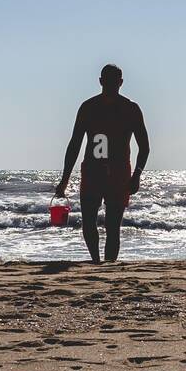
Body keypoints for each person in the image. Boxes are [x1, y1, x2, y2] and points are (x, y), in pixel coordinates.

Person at [54, 64, 150, 263]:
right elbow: (75, 145)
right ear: (101, 82)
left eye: (113, 82)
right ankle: (97, 262)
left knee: (112, 225)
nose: (111, 86)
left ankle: (107, 265)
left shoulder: (129, 109)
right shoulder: (89, 108)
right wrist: (64, 179)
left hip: (118, 172)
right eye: (108, 82)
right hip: (94, 170)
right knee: (90, 222)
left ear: (120, 83)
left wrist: (137, 175)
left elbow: (145, 147)